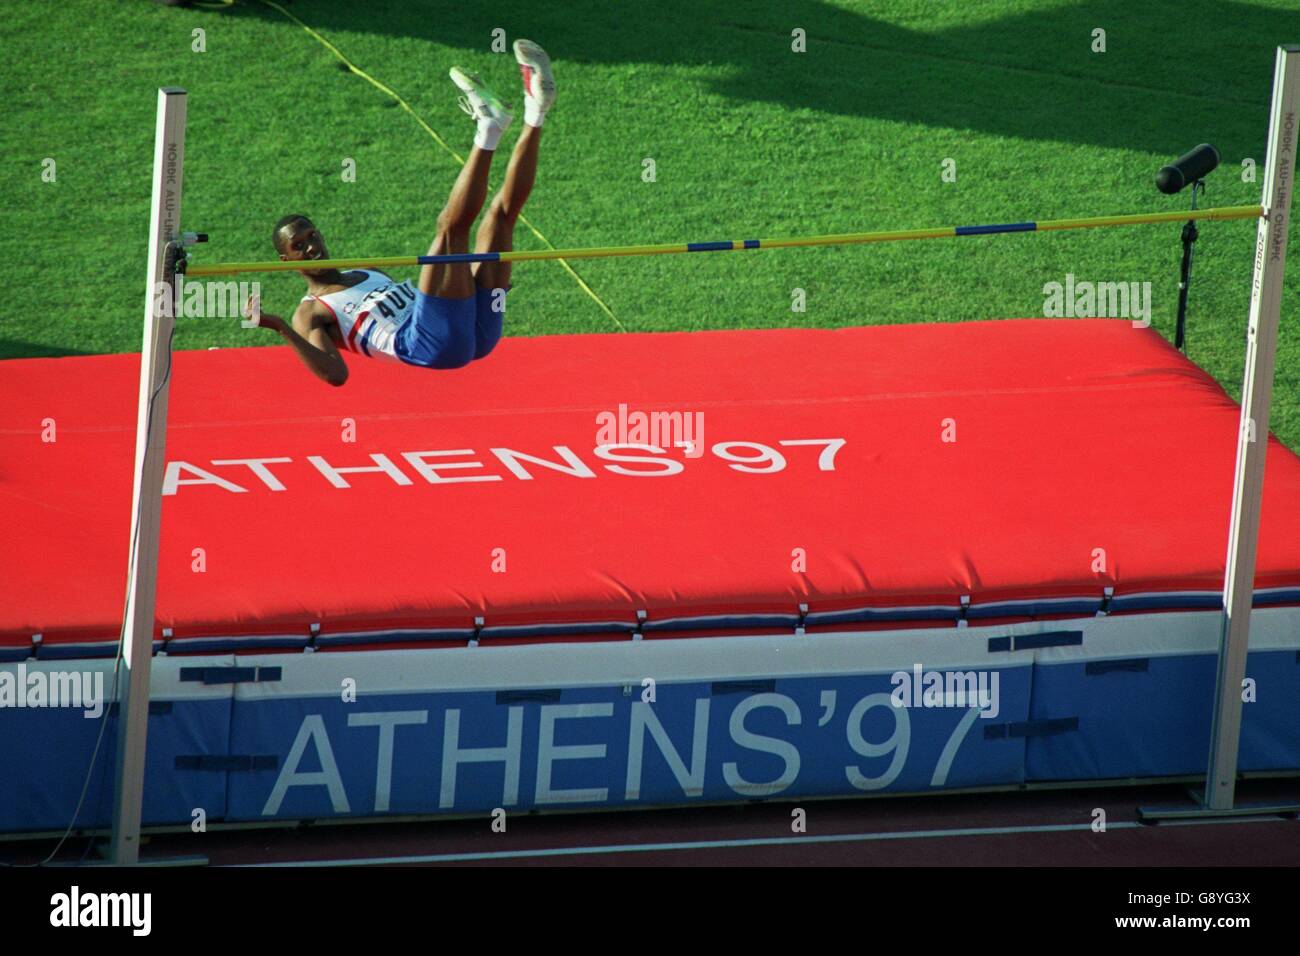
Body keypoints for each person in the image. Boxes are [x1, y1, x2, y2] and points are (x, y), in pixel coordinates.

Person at [244, 39, 556, 385]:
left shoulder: (368, 271)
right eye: (298, 246)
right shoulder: (310, 311)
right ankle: (488, 127)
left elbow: (439, 296)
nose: (310, 247)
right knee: (448, 233)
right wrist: (279, 326)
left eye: (311, 236)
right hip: (431, 343)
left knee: (501, 217)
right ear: (286, 261)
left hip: (474, 331)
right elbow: (336, 376)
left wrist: (473, 278)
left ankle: (536, 109)